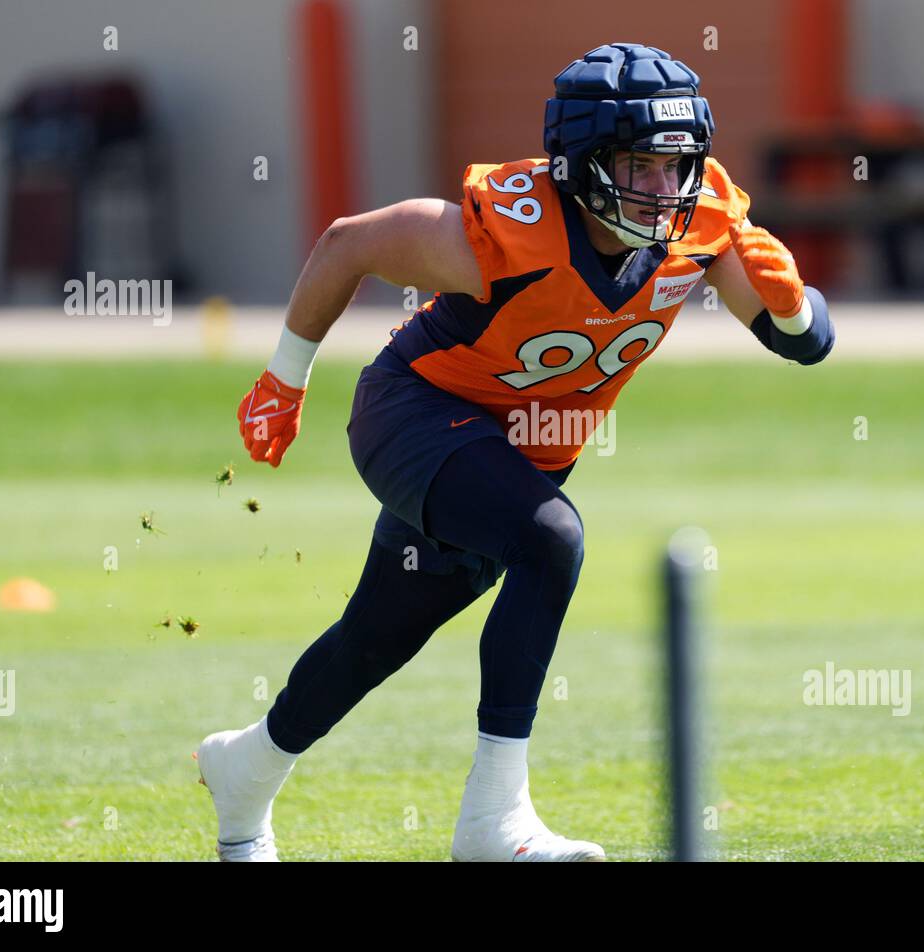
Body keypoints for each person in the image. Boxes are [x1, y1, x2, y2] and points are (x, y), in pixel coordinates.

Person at [195, 42, 834, 862]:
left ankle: (244, 771)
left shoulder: (697, 223)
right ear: (581, 162)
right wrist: (285, 379)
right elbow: (348, 242)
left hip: (515, 452)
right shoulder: (506, 231)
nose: (662, 189)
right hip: (416, 412)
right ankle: (495, 824)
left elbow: (806, 343)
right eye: (639, 165)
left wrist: (790, 310)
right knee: (551, 538)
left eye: (675, 166)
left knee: (377, 637)